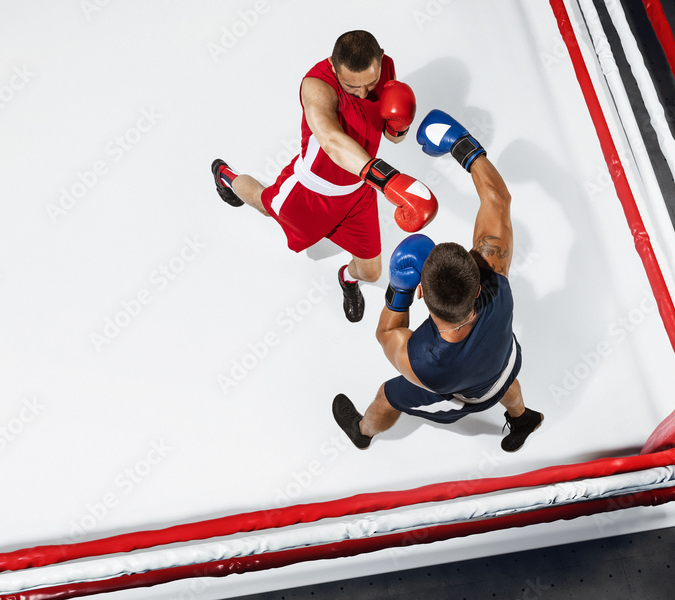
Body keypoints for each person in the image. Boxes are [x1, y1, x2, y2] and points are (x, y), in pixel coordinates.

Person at [332, 109, 544, 452]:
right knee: (504, 379)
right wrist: (462, 146)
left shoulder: (425, 360)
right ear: (476, 284)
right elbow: (497, 199)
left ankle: (362, 432)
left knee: (388, 395)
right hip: (503, 360)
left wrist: (399, 287)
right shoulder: (496, 281)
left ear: (421, 293)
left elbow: (385, 334)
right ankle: (523, 418)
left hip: (466, 392)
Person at [212, 30, 437, 323]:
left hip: (359, 192)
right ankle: (226, 176)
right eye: (352, 86)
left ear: (380, 58)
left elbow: (392, 136)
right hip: (312, 191)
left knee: (371, 272)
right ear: (333, 66)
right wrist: (389, 179)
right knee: (263, 204)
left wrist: (400, 125)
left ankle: (347, 279)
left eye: (370, 83)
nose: (363, 93)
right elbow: (331, 140)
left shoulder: (386, 69)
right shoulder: (316, 85)